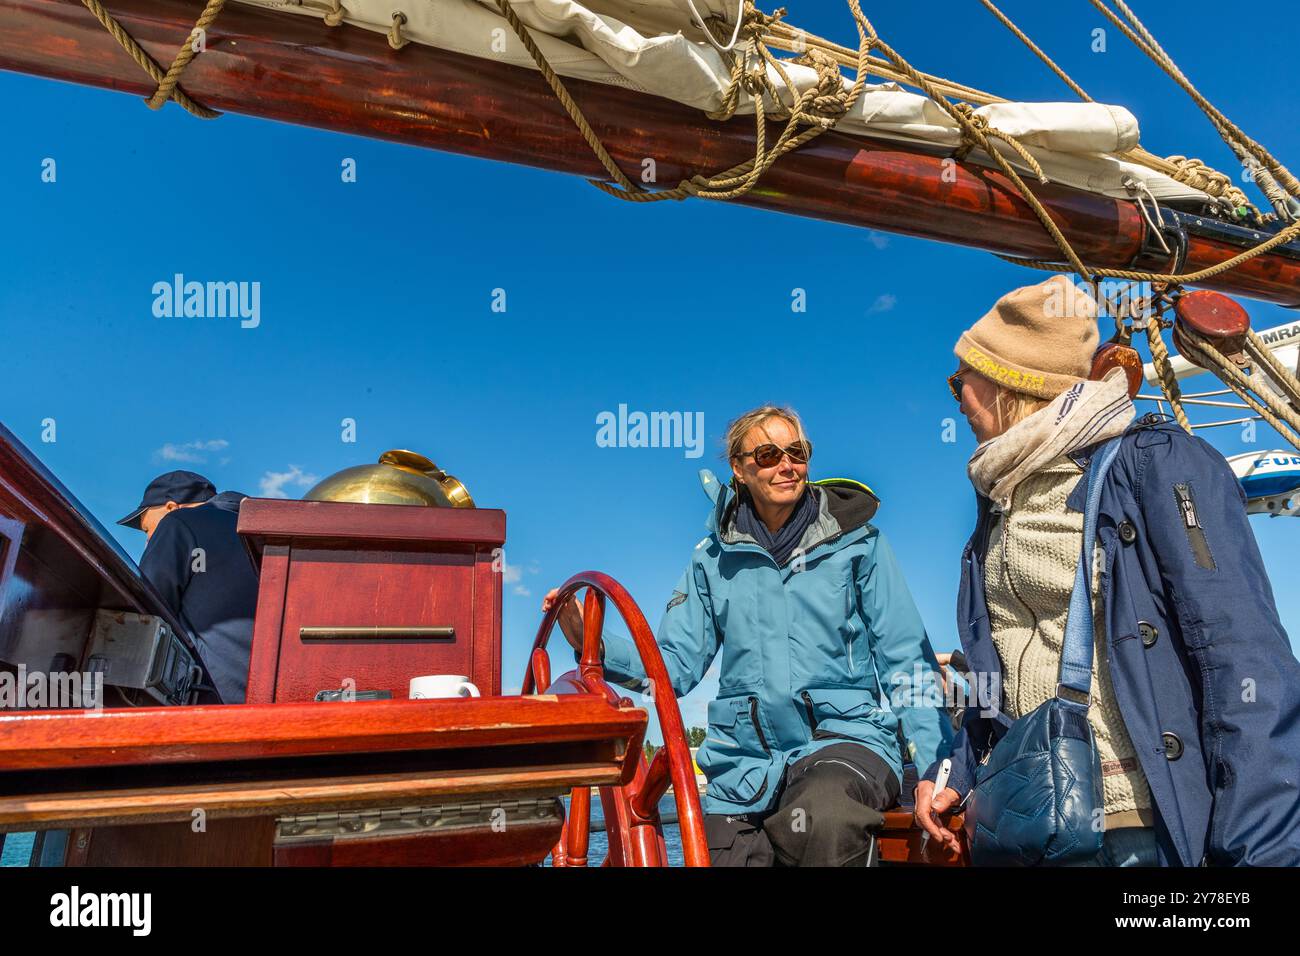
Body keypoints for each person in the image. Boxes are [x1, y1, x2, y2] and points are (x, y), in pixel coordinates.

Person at [915, 275, 1300, 866]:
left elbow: (1245, 662)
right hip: (1028, 824)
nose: (957, 396)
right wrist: (957, 776)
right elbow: (1001, 677)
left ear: (1005, 384)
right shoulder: (1000, 501)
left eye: (959, 379)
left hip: (1137, 832)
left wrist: (1261, 856)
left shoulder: (1157, 465)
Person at [544, 405, 952, 866]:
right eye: (767, 454)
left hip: (845, 742)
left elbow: (905, 659)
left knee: (822, 814)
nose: (786, 464)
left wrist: (935, 766)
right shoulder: (711, 560)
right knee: (720, 848)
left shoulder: (860, 544)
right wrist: (590, 644)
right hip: (743, 765)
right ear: (738, 469)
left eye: (796, 452)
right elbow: (672, 666)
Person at [118, 471, 259, 704]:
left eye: (147, 530)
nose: (147, 541)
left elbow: (146, 607)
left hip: (213, 702)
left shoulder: (178, 522)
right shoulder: (259, 529)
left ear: (172, 507)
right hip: (277, 700)